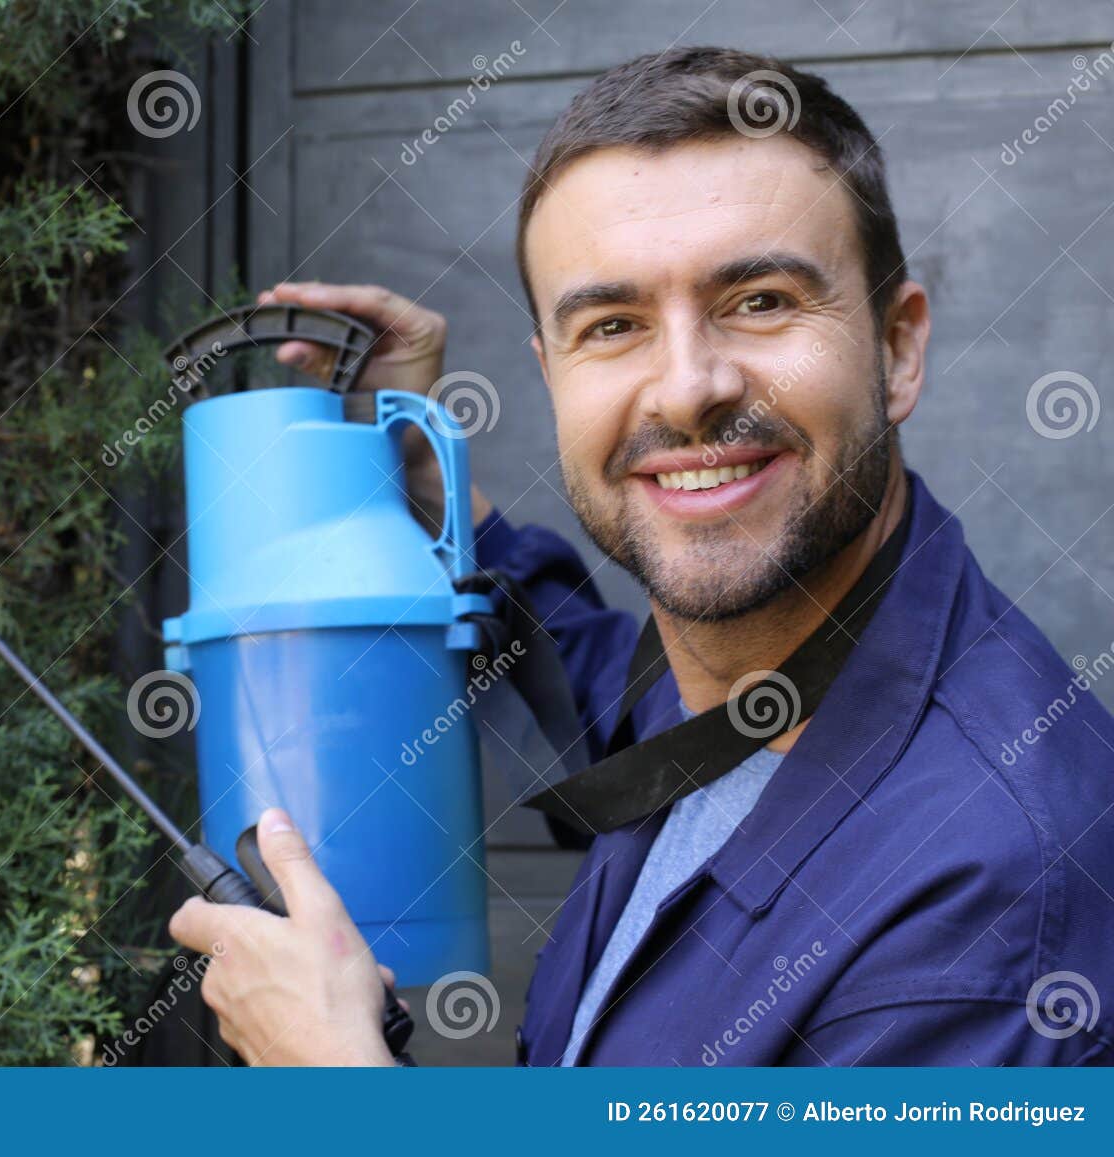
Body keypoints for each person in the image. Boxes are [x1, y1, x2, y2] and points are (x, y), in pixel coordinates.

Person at [168, 46, 1114, 1066]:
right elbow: (624, 722)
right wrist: (423, 464)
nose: (683, 387)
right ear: (548, 369)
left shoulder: (995, 896)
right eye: (611, 325)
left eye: (759, 300)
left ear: (896, 348)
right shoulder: (738, 675)